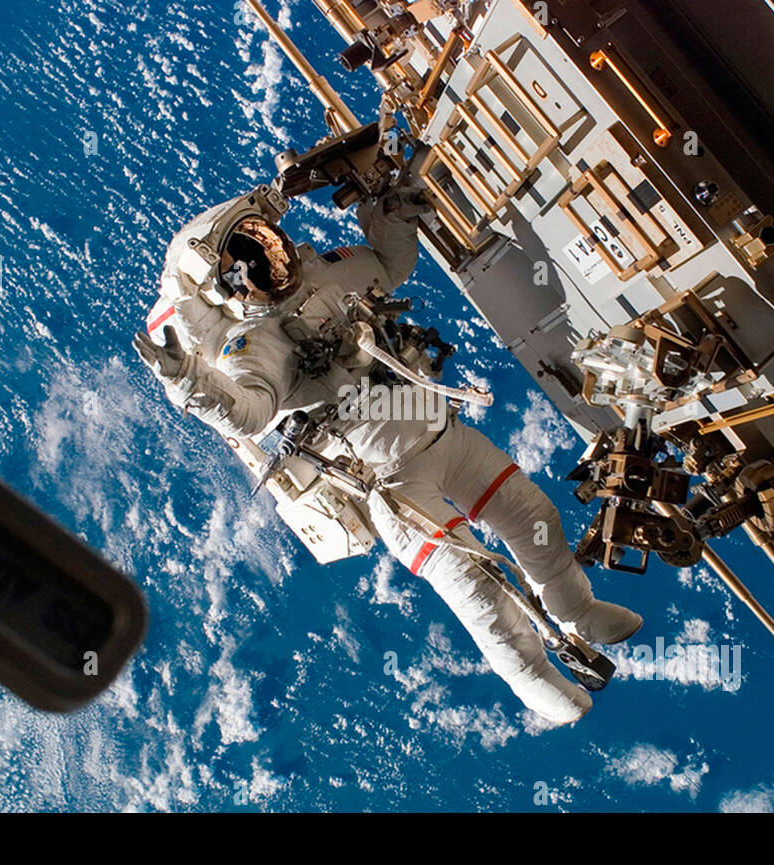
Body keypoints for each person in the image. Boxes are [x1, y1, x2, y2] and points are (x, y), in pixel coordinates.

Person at [134, 185, 642, 724]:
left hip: (442, 435)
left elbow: (388, 264)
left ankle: (578, 611)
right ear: (224, 291)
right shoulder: (253, 346)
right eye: (249, 265)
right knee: (480, 588)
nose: (269, 261)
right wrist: (188, 381)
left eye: (264, 243)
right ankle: (533, 678)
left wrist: (394, 218)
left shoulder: (331, 272)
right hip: (393, 485)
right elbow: (250, 412)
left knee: (534, 516)